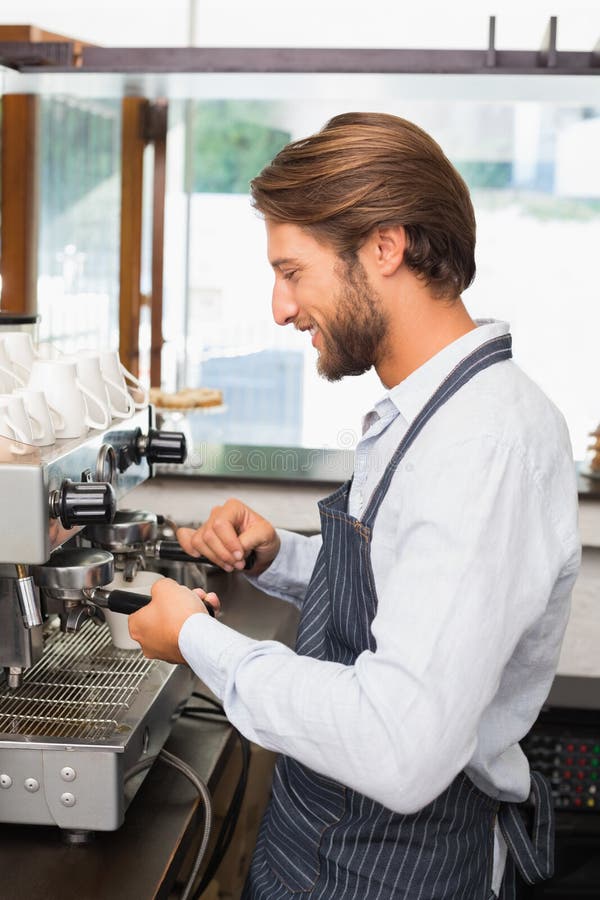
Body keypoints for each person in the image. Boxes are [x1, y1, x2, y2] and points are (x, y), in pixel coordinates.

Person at [129, 112, 581, 899]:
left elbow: (396, 746)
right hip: (323, 841)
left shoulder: (485, 446)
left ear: (383, 245)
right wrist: (285, 557)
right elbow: (410, 585)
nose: (279, 308)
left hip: (396, 865)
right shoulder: (428, 411)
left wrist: (197, 639)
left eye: (293, 271)